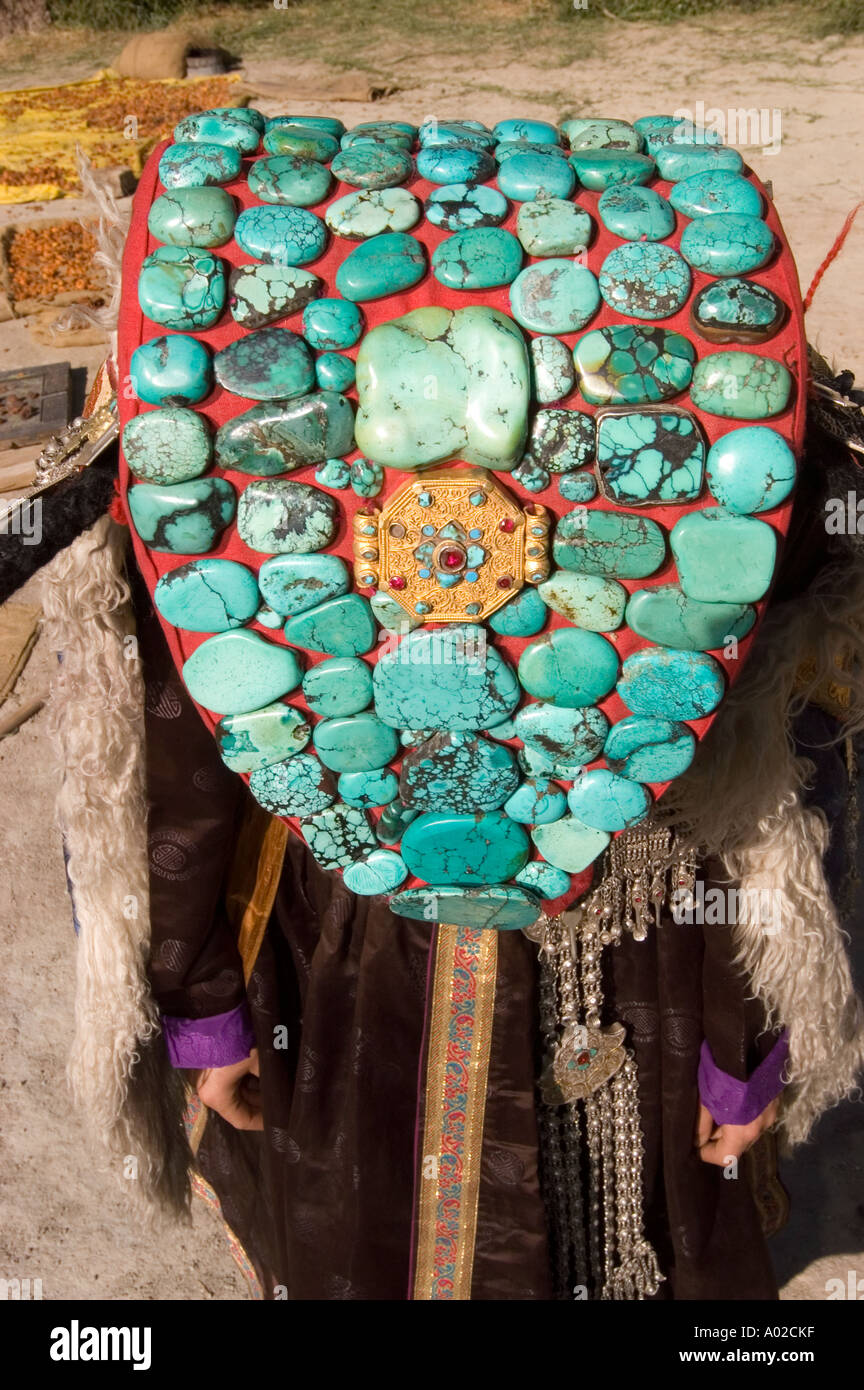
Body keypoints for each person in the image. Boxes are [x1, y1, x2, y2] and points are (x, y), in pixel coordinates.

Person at [17, 111, 864, 1300]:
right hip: (640, 930)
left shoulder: (217, 400)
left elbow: (186, 749)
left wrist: (207, 1002)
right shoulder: (745, 408)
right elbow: (766, 784)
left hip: (365, 939)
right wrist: (742, 1051)